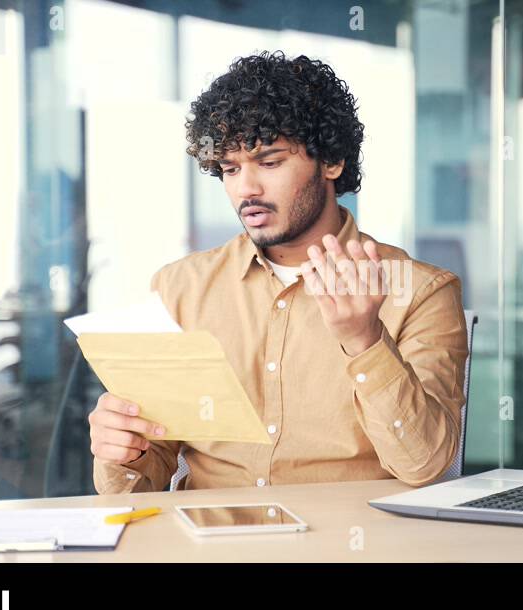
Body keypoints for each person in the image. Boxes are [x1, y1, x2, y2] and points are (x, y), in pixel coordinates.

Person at [90, 51, 468, 493]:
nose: (246, 189)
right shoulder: (179, 288)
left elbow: (427, 467)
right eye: (230, 169)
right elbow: (140, 488)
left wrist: (365, 340)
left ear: (331, 161)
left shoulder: (420, 291)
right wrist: (124, 451)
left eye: (269, 163)